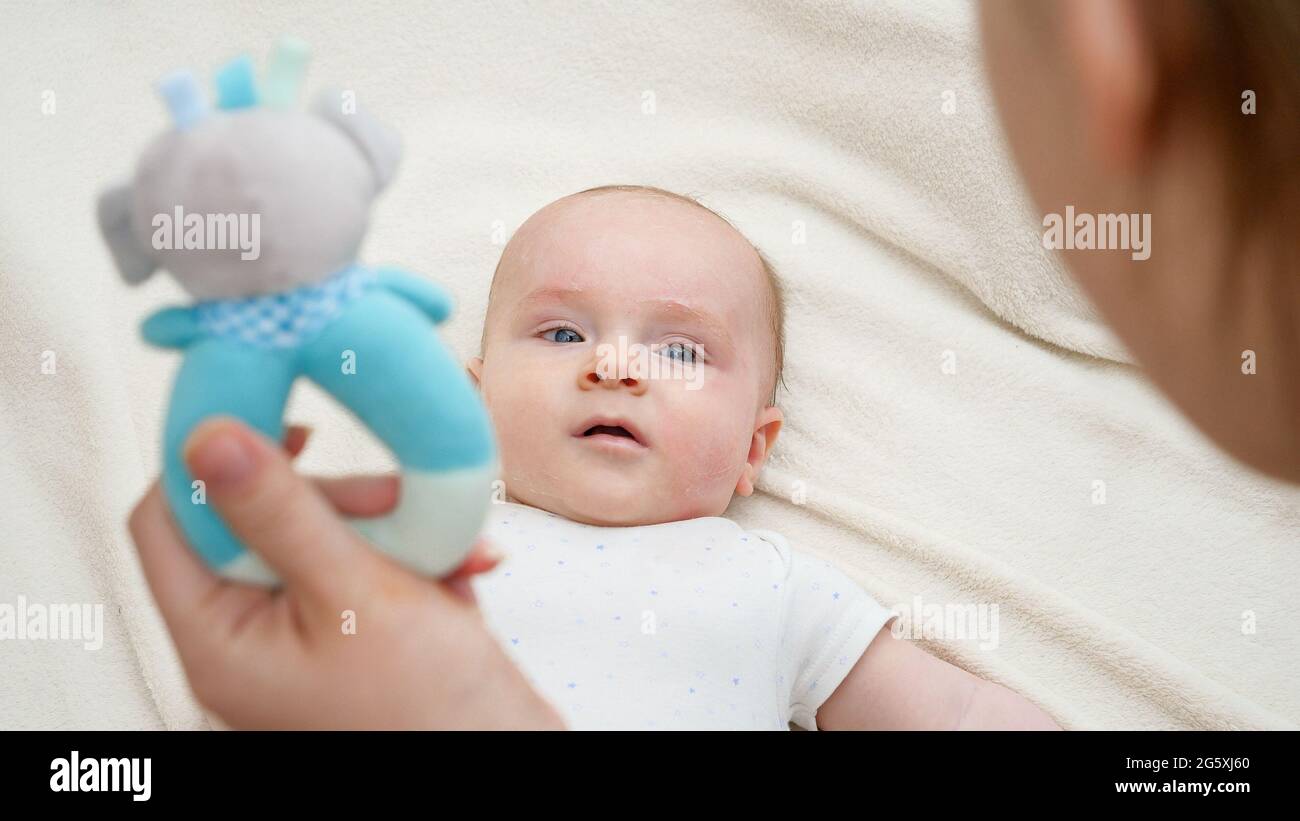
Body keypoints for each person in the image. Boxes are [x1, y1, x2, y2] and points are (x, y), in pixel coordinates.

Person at [128, 0, 1298, 728]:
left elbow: (947, 709)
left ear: (755, 447)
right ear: (469, 401)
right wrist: (218, 494)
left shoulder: (776, 585)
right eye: (561, 331)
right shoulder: (417, 547)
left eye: (679, 348)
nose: (615, 369)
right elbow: (247, 594)